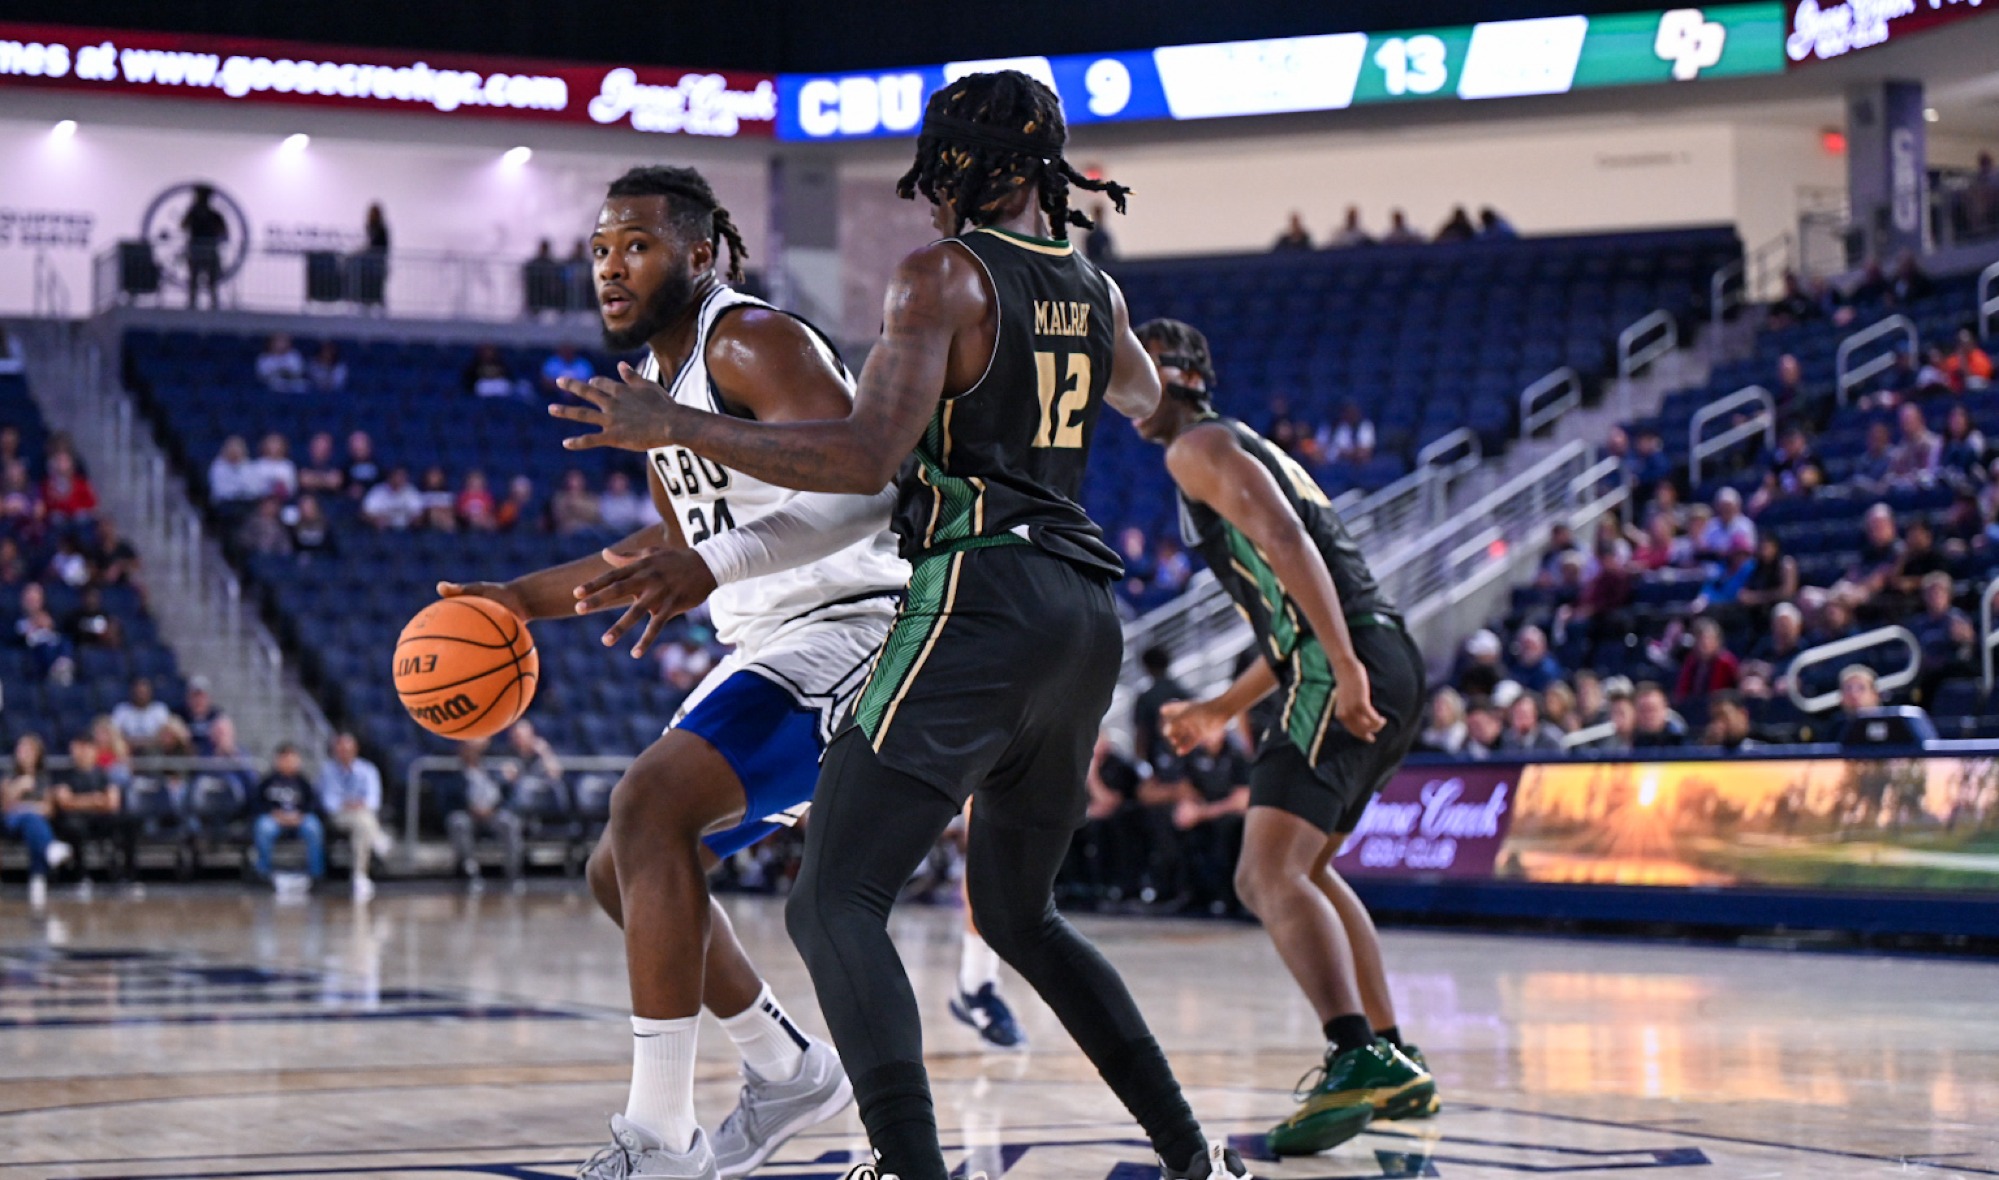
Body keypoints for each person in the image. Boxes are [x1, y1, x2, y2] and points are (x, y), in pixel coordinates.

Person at [544, 81, 1247, 1180]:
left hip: (979, 596)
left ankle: (905, 1165)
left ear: (956, 163)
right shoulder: (1095, 290)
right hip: (1083, 615)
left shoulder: (943, 276)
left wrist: (672, 423)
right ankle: (1195, 1161)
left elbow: (866, 460)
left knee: (832, 902)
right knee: (1023, 917)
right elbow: (1145, 399)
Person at [443, 162, 905, 1180]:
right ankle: (786, 1068)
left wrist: (710, 562)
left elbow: (867, 490)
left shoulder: (753, 339)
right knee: (625, 866)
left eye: (637, 246)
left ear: (700, 254)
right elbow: (676, 536)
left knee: (649, 806)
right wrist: (516, 599)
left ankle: (658, 1139)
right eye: (601, 249)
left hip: (861, 624)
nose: (611, 267)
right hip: (775, 636)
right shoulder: (658, 390)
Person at [1129, 316, 1436, 1152]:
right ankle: (1393, 1055)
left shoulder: (1194, 448)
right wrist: (1222, 709)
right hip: (1379, 649)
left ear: (1183, 375)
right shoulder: (1237, 444)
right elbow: (1296, 598)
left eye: (1140, 367)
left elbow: (1286, 542)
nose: (1125, 387)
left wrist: (1339, 663)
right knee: (1309, 868)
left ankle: (1355, 1054)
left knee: (1263, 873)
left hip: (1345, 654)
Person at [56, 733, 139, 888]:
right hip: (77, 819)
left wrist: (81, 801)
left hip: (100, 819)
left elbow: (113, 802)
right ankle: (80, 876)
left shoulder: (103, 774)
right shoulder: (65, 774)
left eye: (87, 748)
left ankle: (128, 875)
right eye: (79, 748)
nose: (83, 752)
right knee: (73, 826)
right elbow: (65, 802)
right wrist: (94, 800)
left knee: (129, 821)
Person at [3, 735, 73, 907]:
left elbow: (48, 809)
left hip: (33, 824)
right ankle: (45, 861)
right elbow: (4, 807)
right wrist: (18, 787)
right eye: (20, 750)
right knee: (32, 819)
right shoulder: (9, 777)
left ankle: (38, 876)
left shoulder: (43, 779)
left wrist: (25, 807)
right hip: (9, 823)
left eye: (27, 750)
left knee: (34, 824)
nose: (23, 754)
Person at [444, 739, 523, 890]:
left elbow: (504, 795)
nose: (472, 752)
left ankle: (513, 874)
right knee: (458, 822)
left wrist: (493, 806)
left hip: (492, 813)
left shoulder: (491, 769)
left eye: (475, 750)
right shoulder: (454, 775)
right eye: (468, 749)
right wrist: (470, 808)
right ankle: (471, 874)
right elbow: (447, 802)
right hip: (468, 814)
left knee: (509, 822)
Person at [316, 732, 387, 900]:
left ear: (355, 749)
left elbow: (373, 801)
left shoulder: (368, 770)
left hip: (363, 816)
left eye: (348, 749)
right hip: (339, 817)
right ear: (334, 751)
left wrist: (355, 804)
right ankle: (377, 839)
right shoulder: (327, 771)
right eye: (340, 749)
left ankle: (359, 875)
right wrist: (350, 804)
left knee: (362, 823)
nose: (344, 753)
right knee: (363, 820)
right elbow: (329, 803)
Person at [251, 742, 326, 886]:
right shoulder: (268, 781)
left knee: (314, 827)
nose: (289, 763)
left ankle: (317, 874)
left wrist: (300, 815)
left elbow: (314, 804)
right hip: (275, 819)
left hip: (299, 819)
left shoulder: (303, 782)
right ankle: (263, 873)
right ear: (278, 761)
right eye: (285, 759)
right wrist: (275, 814)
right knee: (263, 827)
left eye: (292, 759)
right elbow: (257, 803)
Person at [182, 184, 227, 310]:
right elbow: (183, 225)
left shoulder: (214, 215)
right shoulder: (194, 213)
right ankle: (193, 303)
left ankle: (210, 303)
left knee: (210, 280)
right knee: (195, 279)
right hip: (198, 249)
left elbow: (223, 232)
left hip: (207, 249)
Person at [1675, 618, 1740, 704]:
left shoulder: (1727, 662)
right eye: (1700, 639)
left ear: (1717, 641)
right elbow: (1681, 693)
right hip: (1694, 708)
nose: (1704, 643)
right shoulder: (1691, 661)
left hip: (1719, 707)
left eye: (1708, 639)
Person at [111, 676, 177, 754]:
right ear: (132, 692)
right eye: (138, 692)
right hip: (127, 748)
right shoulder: (122, 710)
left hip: (154, 747)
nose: (141, 696)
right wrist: (131, 742)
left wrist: (147, 743)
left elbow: (165, 732)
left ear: (150, 692)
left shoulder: (159, 709)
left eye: (143, 692)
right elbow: (114, 732)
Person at [550, 469, 604, 535]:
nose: (573, 483)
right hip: (566, 534)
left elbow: (594, 516)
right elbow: (559, 517)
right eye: (571, 479)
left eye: (576, 479)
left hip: (588, 534)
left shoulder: (592, 498)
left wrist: (575, 505)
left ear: (583, 481)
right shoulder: (559, 497)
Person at [1417, 686, 1467, 754]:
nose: (1439, 709)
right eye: (1437, 705)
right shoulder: (1428, 733)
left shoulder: (1459, 729)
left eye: (1444, 705)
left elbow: (1450, 751)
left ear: (1454, 709)